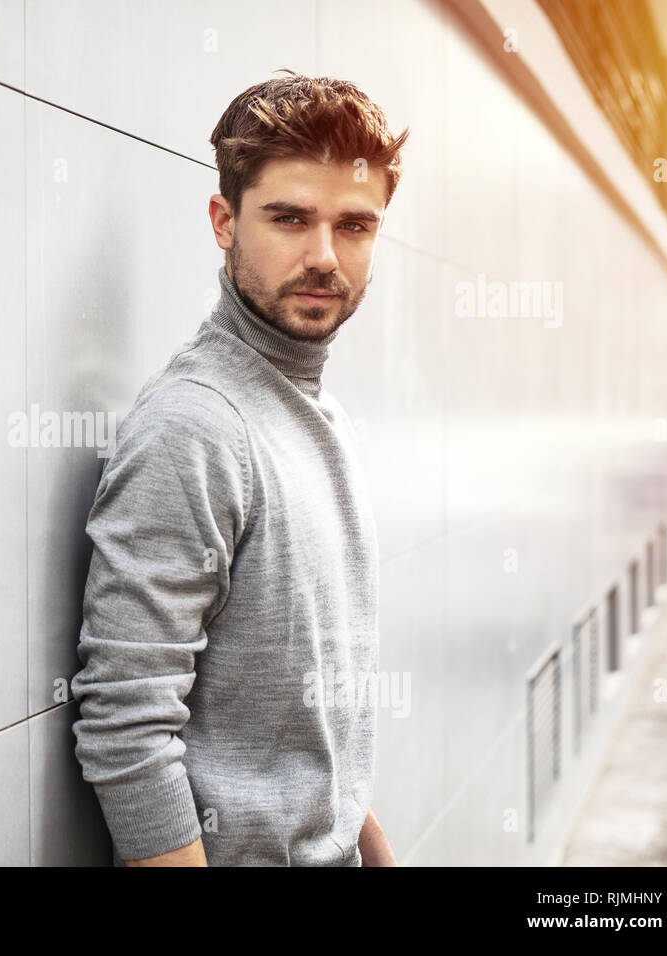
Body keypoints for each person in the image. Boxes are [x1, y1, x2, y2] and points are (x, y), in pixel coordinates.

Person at [69, 70, 409, 866]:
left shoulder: (316, 417)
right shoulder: (196, 429)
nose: (324, 256)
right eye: (289, 218)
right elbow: (126, 731)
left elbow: (310, 723)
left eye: (354, 226)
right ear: (224, 221)